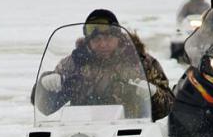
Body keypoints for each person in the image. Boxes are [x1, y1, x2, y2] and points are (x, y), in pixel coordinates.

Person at [33, 9, 174, 121]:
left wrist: (154, 94)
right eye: (97, 39)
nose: (103, 44)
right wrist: (45, 85)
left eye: (108, 38)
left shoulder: (142, 62)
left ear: (118, 37)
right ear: (88, 41)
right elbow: (46, 108)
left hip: (132, 133)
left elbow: (167, 107)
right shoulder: (73, 64)